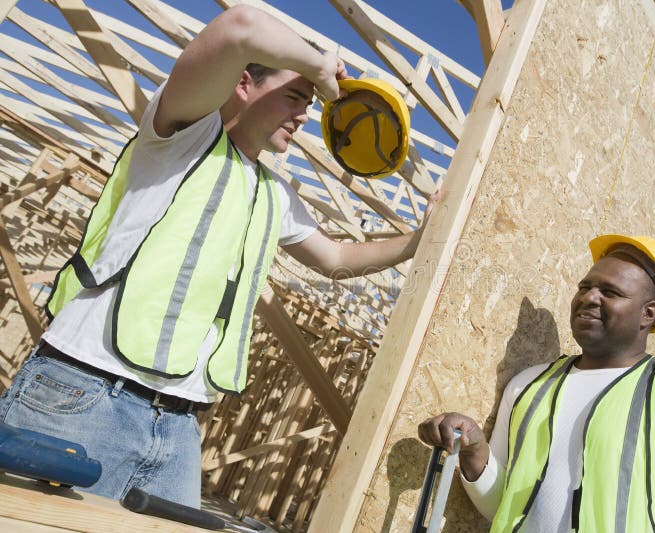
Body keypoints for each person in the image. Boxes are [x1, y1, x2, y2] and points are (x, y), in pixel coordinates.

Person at [0, 5, 433, 507]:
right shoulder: (181, 135)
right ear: (244, 83)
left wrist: (421, 238)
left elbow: (336, 258)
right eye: (294, 97)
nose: (302, 116)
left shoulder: (274, 194)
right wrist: (318, 64)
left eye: (307, 106)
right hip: (85, 391)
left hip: (179, 423)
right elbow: (239, 28)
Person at [418, 234, 655, 532]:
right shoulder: (528, 386)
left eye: (610, 292)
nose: (588, 298)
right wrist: (476, 455)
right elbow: (506, 507)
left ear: (647, 314)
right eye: (585, 287)